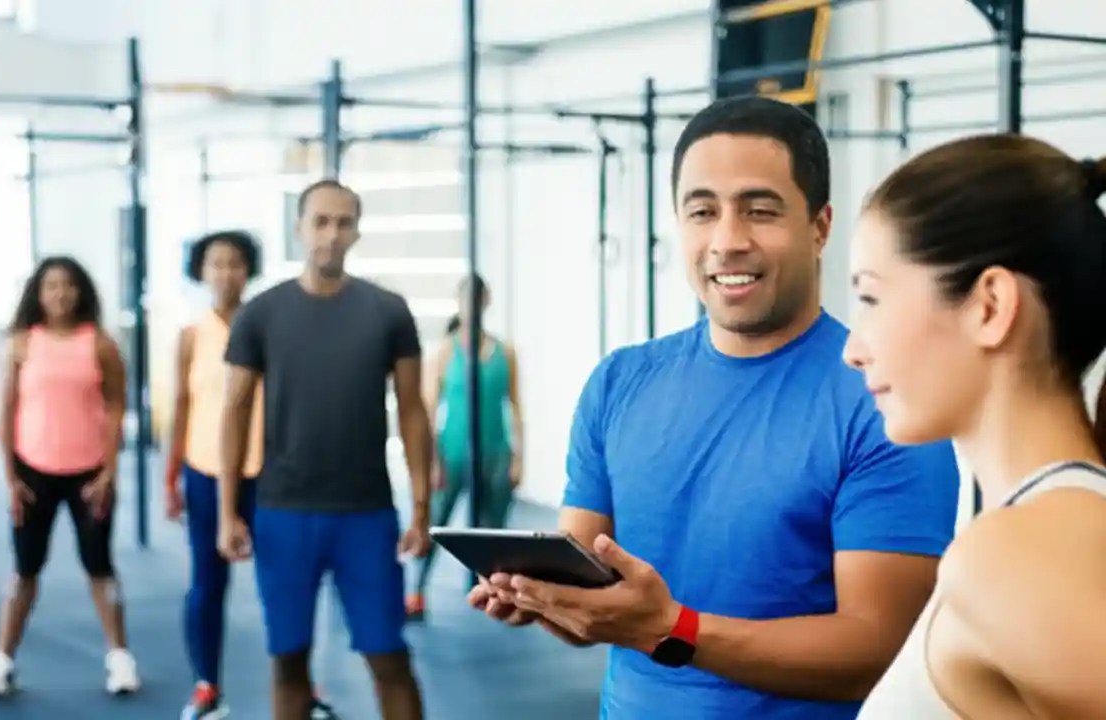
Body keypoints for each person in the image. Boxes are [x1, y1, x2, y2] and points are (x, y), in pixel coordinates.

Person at [467, 96, 962, 719]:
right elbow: (594, 607)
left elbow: (880, 646)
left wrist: (672, 629)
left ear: (820, 226)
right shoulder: (619, 383)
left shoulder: (880, 397)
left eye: (759, 210)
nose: (727, 241)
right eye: (702, 212)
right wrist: (544, 597)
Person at [847, 142, 1106, 717]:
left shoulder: (1014, 554)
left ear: (988, 306)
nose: (853, 349)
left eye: (870, 297)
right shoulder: (1023, 530)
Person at [217, 178, 433, 720]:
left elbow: (411, 410)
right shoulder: (260, 315)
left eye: (343, 222)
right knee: (288, 661)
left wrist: (424, 507)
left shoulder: (388, 311)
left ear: (357, 231)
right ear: (299, 228)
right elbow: (234, 411)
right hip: (284, 512)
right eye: (320, 221)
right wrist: (227, 511)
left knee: (389, 657)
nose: (331, 234)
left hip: (366, 515)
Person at [165, 230, 337, 720]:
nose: (225, 273)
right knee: (206, 583)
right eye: (216, 264)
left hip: (270, 472)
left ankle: (304, 686)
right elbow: (181, 405)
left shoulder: (270, 324)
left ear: (248, 269)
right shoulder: (191, 335)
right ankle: (206, 687)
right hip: (206, 471)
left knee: (287, 580)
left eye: (235, 263)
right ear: (201, 271)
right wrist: (170, 475)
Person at [0, 256, 140, 699]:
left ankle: (120, 659)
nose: (60, 294)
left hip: (89, 474)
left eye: (68, 286)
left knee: (100, 567)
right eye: (51, 286)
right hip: (33, 472)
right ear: (38, 293)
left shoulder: (100, 344)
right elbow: (6, 412)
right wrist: (10, 477)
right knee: (24, 571)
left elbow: (116, 407)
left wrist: (109, 471)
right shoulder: (21, 345)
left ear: (81, 291)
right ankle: (2, 661)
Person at [406, 274, 523, 621]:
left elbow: (516, 408)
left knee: (494, 530)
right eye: (467, 298)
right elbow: (427, 412)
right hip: (452, 452)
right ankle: (416, 590)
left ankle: (493, 591)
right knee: (436, 519)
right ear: (459, 302)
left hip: (495, 452)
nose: (473, 304)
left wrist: (519, 458)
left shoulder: (506, 352)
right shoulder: (444, 353)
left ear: (487, 301)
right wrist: (432, 462)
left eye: (479, 297)